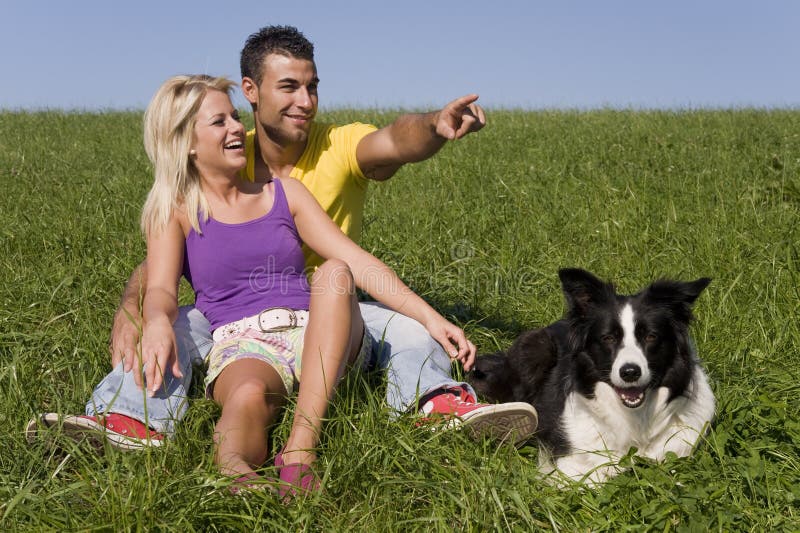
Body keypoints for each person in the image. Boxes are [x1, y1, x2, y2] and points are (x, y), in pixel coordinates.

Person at [26, 26, 537, 453]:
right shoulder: (221, 157)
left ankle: (433, 405)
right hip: (230, 312)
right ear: (252, 91)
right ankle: (129, 419)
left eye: (312, 87)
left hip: (327, 301)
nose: (306, 102)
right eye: (289, 87)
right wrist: (141, 309)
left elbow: (394, 145)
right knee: (173, 327)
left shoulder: (327, 154)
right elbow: (164, 267)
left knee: (408, 330)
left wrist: (433, 125)